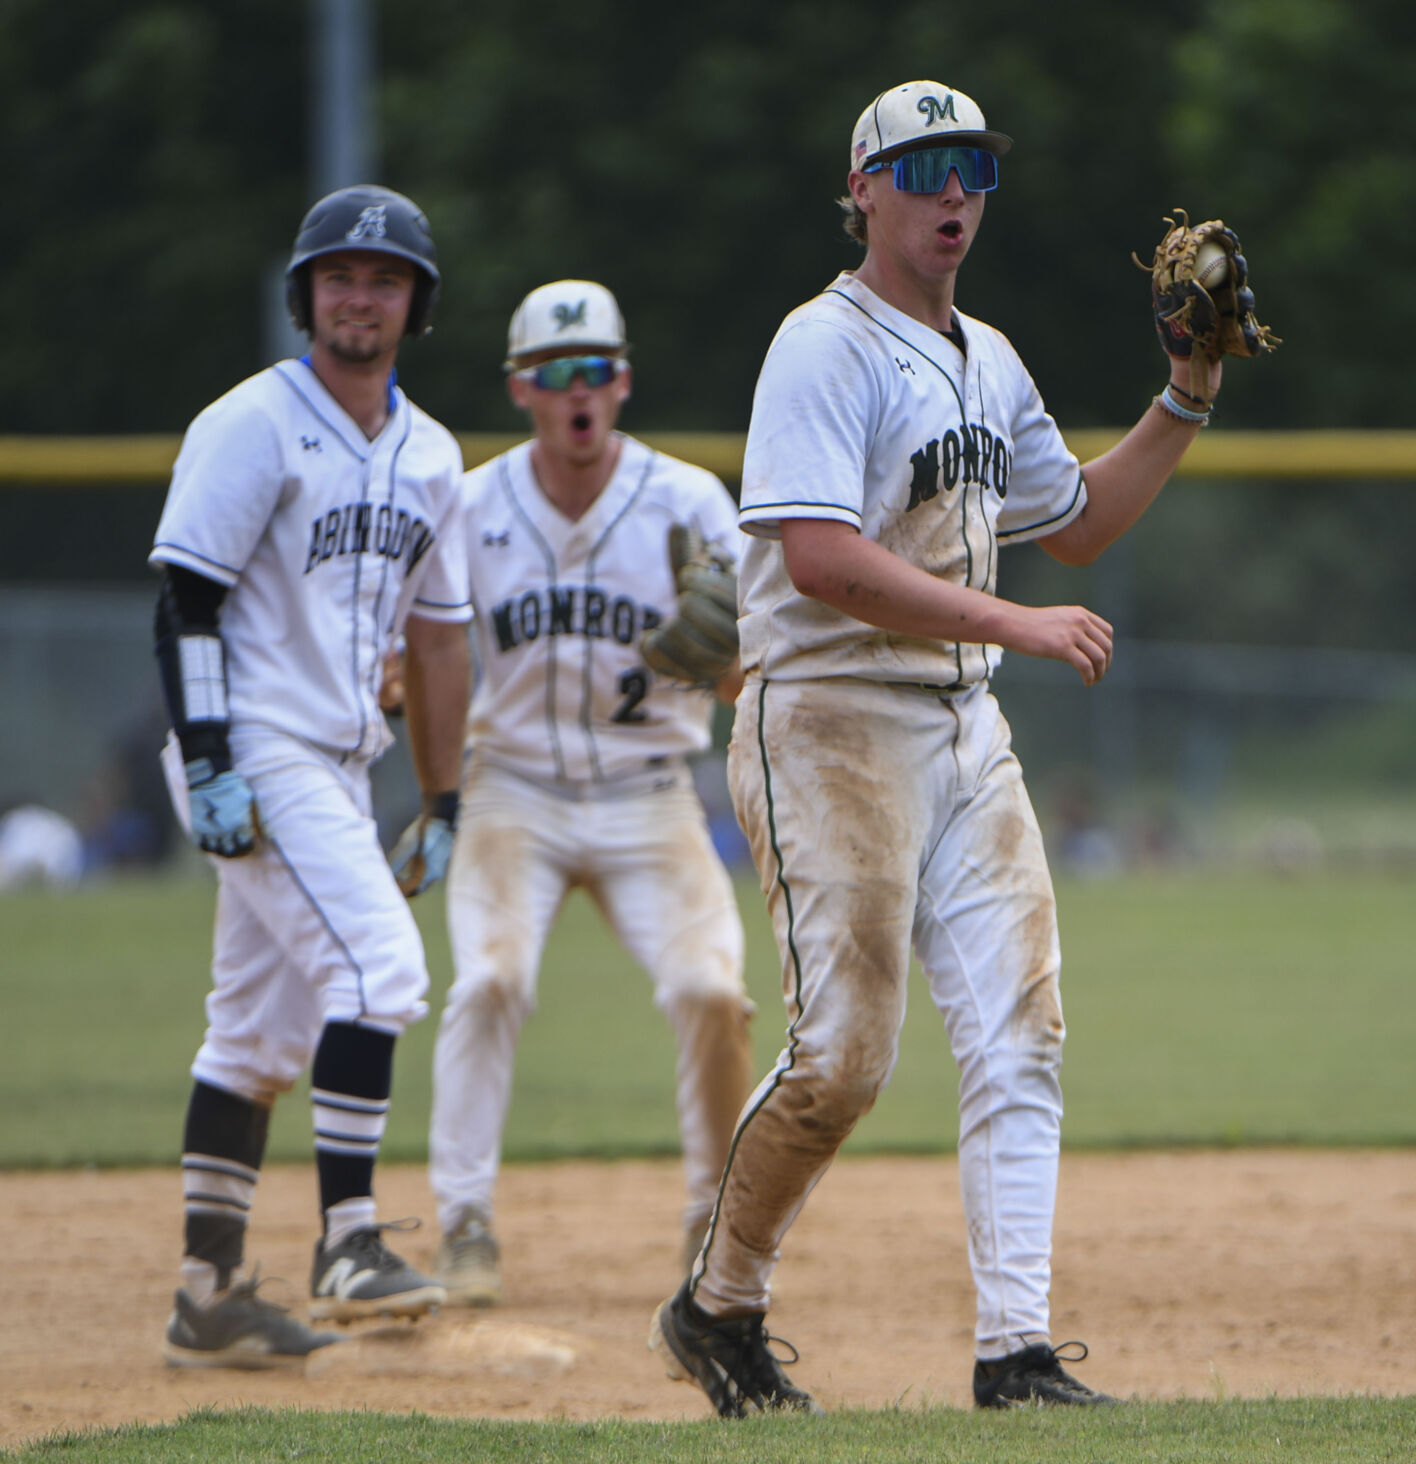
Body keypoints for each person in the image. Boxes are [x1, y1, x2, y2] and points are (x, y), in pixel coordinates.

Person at [649, 80, 1229, 1414]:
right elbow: (821, 558)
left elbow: (1075, 521)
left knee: (1024, 1033)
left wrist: (1186, 394)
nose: (952, 191)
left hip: (964, 731)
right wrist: (1013, 623)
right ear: (861, 191)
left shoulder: (991, 358)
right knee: (844, 1060)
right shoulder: (822, 344)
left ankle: (1016, 1353)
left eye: (971, 167)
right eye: (921, 169)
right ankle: (720, 1302)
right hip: (829, 720)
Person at [149, 184, 473, 1368]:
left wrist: (444, 798)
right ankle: (347, 1239)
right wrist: (209, 759)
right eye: (340, 276)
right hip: (252, 747)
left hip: (342, 763)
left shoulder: (434, 455)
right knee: (380, 967)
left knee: (254, 1039)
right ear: (306, 294)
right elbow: (186, 597)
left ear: (414, 304)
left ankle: (209, 1295)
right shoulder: (252, 423)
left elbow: (439, 641)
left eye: (385, 280)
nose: (360, 295)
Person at [426, 280, 755, 1306]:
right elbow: (418, 655)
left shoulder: (691, 500)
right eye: (557, 374)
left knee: (712, 992)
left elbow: (749, 673)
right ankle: (464, 1221)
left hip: (650, 790)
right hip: (510, 790)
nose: (581, 391)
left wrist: (728, 655)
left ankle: (714, 1228)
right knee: (488, 979)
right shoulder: (471, 506)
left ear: (623, 382)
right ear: (522, 387)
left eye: (598, 371)